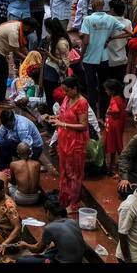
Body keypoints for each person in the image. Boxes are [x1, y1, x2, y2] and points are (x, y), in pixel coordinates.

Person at [47, 76, 90, 211]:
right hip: (64, 141)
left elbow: (83, 125)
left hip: (76, 143)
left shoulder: (82, 103)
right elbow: (64, 114)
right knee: (65, 171)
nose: (64, 94)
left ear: (74, 89)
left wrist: (63, 124)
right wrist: (55, 118)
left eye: (67, 91)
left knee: (75, 173)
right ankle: (64, 197)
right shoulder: (67, 98)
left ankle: (74, 203)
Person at [13, 196, 86, 263]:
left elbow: (38, 249)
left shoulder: (50, 227)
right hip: (78, 259)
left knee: (21, 260)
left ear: (48, 212)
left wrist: (25, 245)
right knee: (51, 250)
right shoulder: (72, 221)